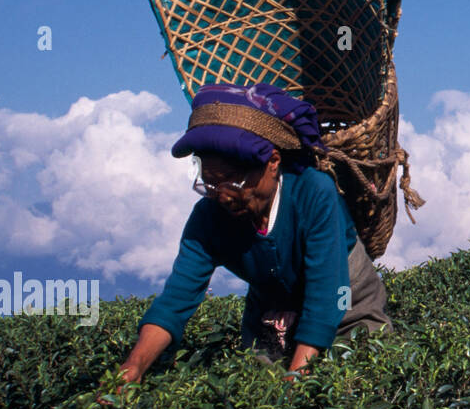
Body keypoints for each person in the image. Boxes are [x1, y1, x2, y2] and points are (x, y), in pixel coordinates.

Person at [117, 83, 393, 384]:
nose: (222, 196)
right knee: (259, 391)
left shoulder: (314, 192)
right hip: (272, 312)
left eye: (232, 183)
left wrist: (296, 376)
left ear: (273, 163)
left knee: (358, 378)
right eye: (209, 184)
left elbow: (327, 294)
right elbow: (176, 300)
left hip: (347, 303)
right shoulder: (208, 217)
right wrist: (133, 367)